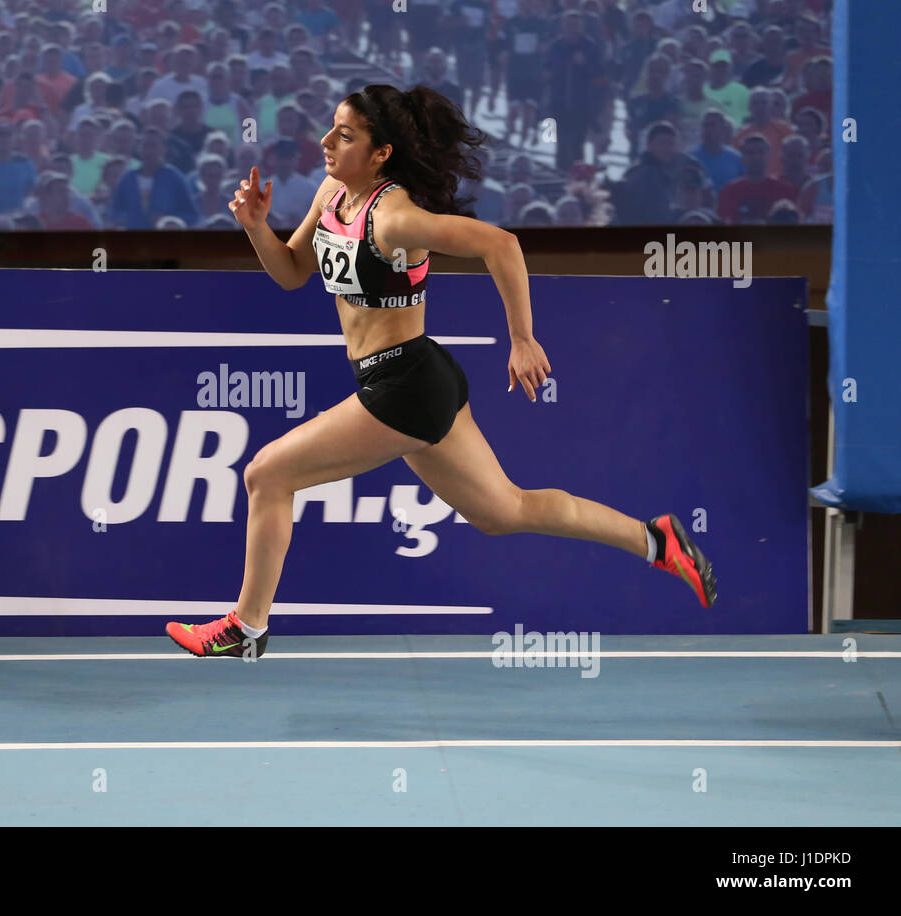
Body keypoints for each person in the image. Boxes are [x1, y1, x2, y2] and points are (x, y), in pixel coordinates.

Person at [166, 84, 717, 658]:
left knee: (267, 475)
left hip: (405, 385)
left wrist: (522, 339)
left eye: (346, 135)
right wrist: (257, 227)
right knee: (507, 511)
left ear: (381, 153)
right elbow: (292, 271)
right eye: (332, 128)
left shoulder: (396, 216)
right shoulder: (332, 194)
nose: (327, 141)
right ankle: (657, 540)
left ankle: (246, 629)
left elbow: (501, 244)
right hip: (416, 381)